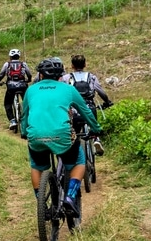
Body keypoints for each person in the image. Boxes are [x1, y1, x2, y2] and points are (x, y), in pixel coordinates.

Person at [20, 57, 102, 216]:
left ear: (40, 75)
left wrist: (24, 132)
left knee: (37, 166)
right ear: (61, 75)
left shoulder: (31, 90)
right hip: (62, 137)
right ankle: (70, 197)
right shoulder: (68, 90)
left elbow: (24, 116)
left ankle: (41, 202)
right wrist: (96, 128)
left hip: (36, 137)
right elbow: (85, 111)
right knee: (79, 161)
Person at [59, 54, 112, 155]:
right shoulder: (91, 77)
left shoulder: (66, 78)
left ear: (72, 65)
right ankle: (96, 139)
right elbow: (100, 91)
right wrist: (107, 101)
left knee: (74, 132)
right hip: (89, 107)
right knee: (94, 125)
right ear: (85, 64)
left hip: (73, 110)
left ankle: (73, 149)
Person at [0, 48, 32, 130]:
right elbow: (29, 74)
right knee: (27, 102)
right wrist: (28, 80)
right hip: (23, 85)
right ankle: (30, 119)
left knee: (7, 103)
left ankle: (12, 121)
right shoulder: (23, 64)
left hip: (11, 87)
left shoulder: (7, 64)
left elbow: (1, 74)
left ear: (10, 57)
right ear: (19, 56)